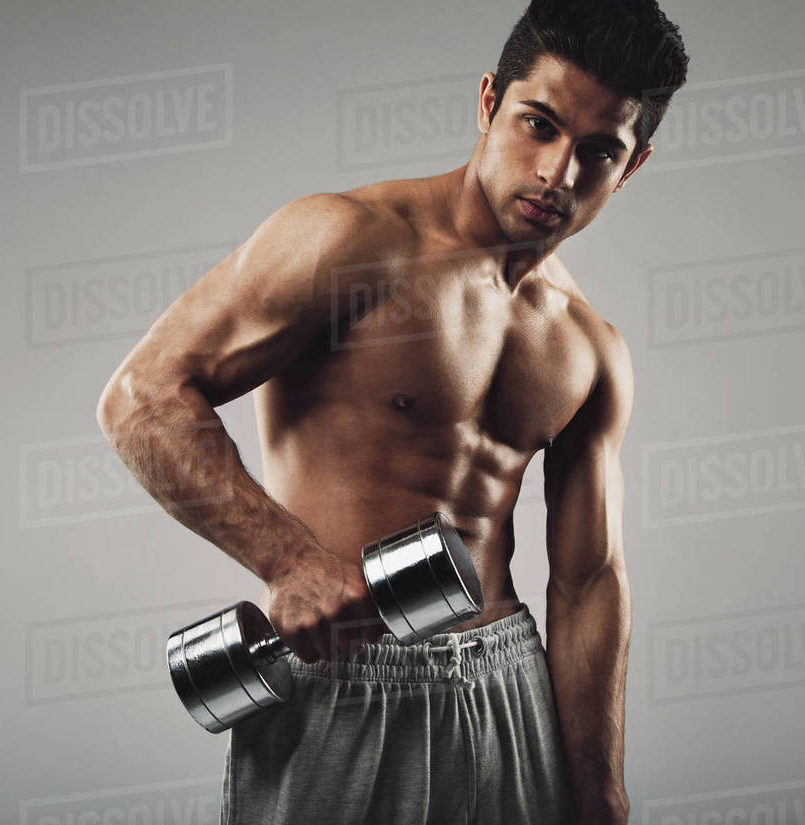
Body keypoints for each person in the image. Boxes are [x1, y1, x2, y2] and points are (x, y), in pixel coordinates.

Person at [97, 0, 689, 822]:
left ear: (633, 166)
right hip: (341, 681)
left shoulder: (591, 347)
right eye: (538, 125)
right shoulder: (348, 241)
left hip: (507, 684)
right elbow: (141, 397)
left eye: (597, 151)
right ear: (489, 102)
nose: (556, 172)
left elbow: (589, 580)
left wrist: (602, 792)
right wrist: (290, 562)